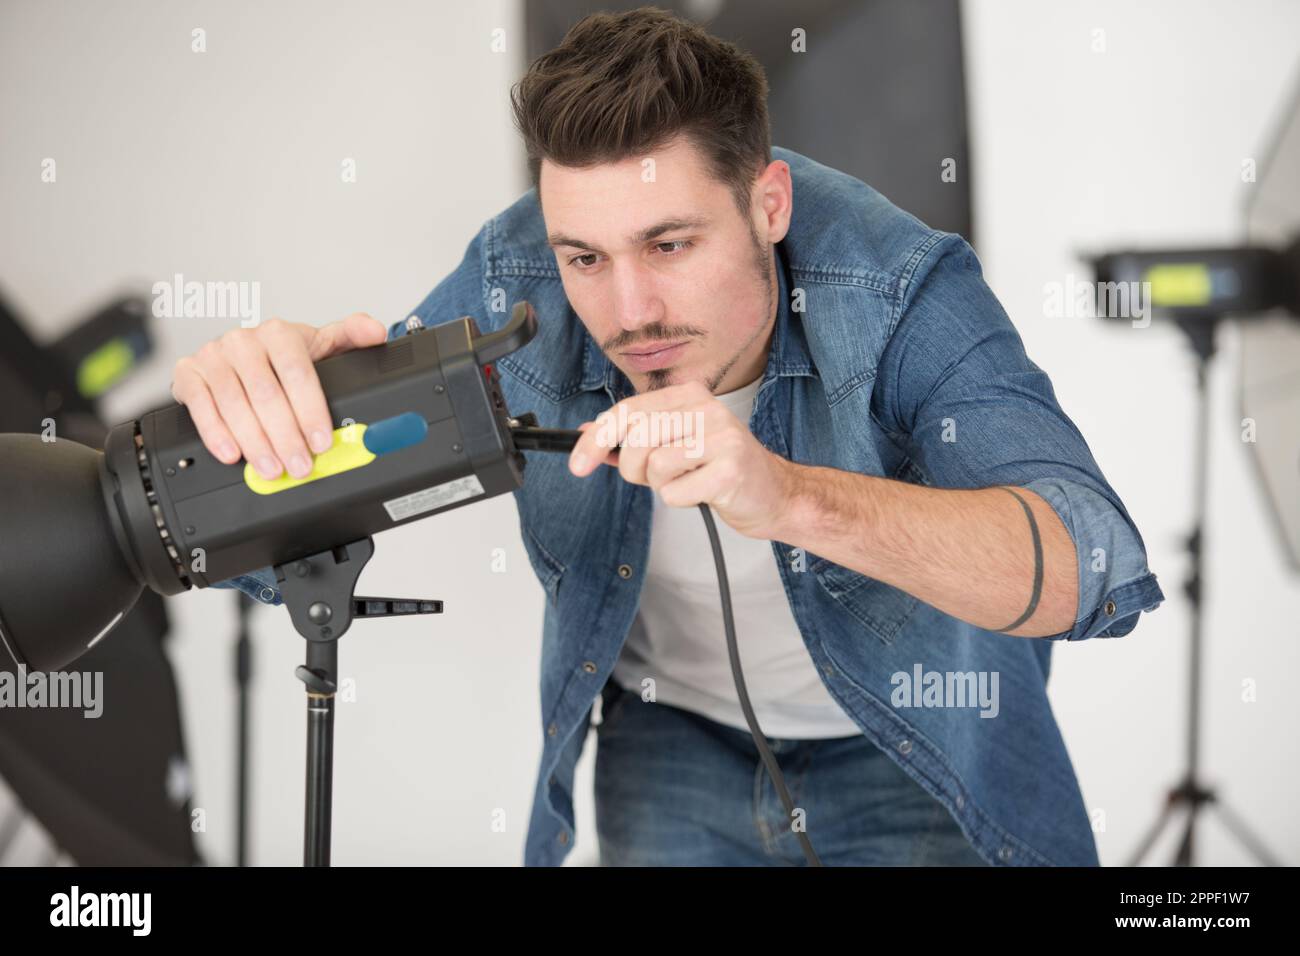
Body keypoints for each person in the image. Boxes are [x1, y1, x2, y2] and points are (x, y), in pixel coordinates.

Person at [176, 7, 1164, 866]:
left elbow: (1092, 561)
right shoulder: (512, 275)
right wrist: (253, 419)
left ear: (767, 203)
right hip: (671, 742)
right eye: (584, 256)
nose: (630, 307)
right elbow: (290, 512)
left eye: (669, 243)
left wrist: (787, 495)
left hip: (921, 740)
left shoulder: (899, 288)